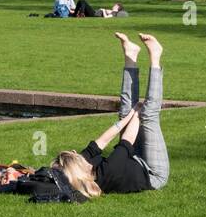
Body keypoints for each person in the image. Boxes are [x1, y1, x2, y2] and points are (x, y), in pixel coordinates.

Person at [51, 33, 169, 198]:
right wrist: (137, 111)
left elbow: (103, 141)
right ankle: (155, 57)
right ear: (79, 168)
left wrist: (128, 116)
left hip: (132, 156)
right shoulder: (107, 172)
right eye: (74, 154)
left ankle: (131, 56)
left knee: (124, 112)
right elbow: (127, 140)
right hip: (152, 172)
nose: (75, 151)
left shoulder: (84, 163)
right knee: (148, 115)